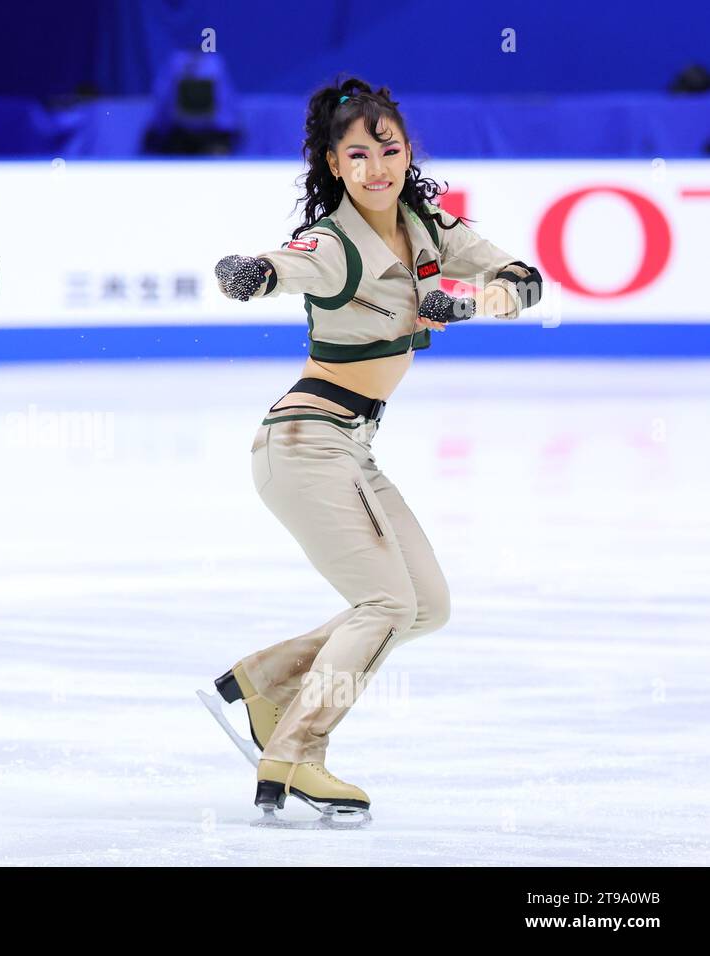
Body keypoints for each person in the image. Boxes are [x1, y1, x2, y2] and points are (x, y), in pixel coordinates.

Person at [209, 78, 541, 823]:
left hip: (352, 446)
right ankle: (296, 752)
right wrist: (249, 273)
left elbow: (525, 281)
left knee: (426, 605)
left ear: (406, 151)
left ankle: (265, 682)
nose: (375, 167)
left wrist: (468, 301)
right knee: (386, 602)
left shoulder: (427, 228)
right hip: (303, 443)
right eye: (355, 154)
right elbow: (275, 266)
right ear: (332, 165)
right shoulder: (333, 244)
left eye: (387, 149)